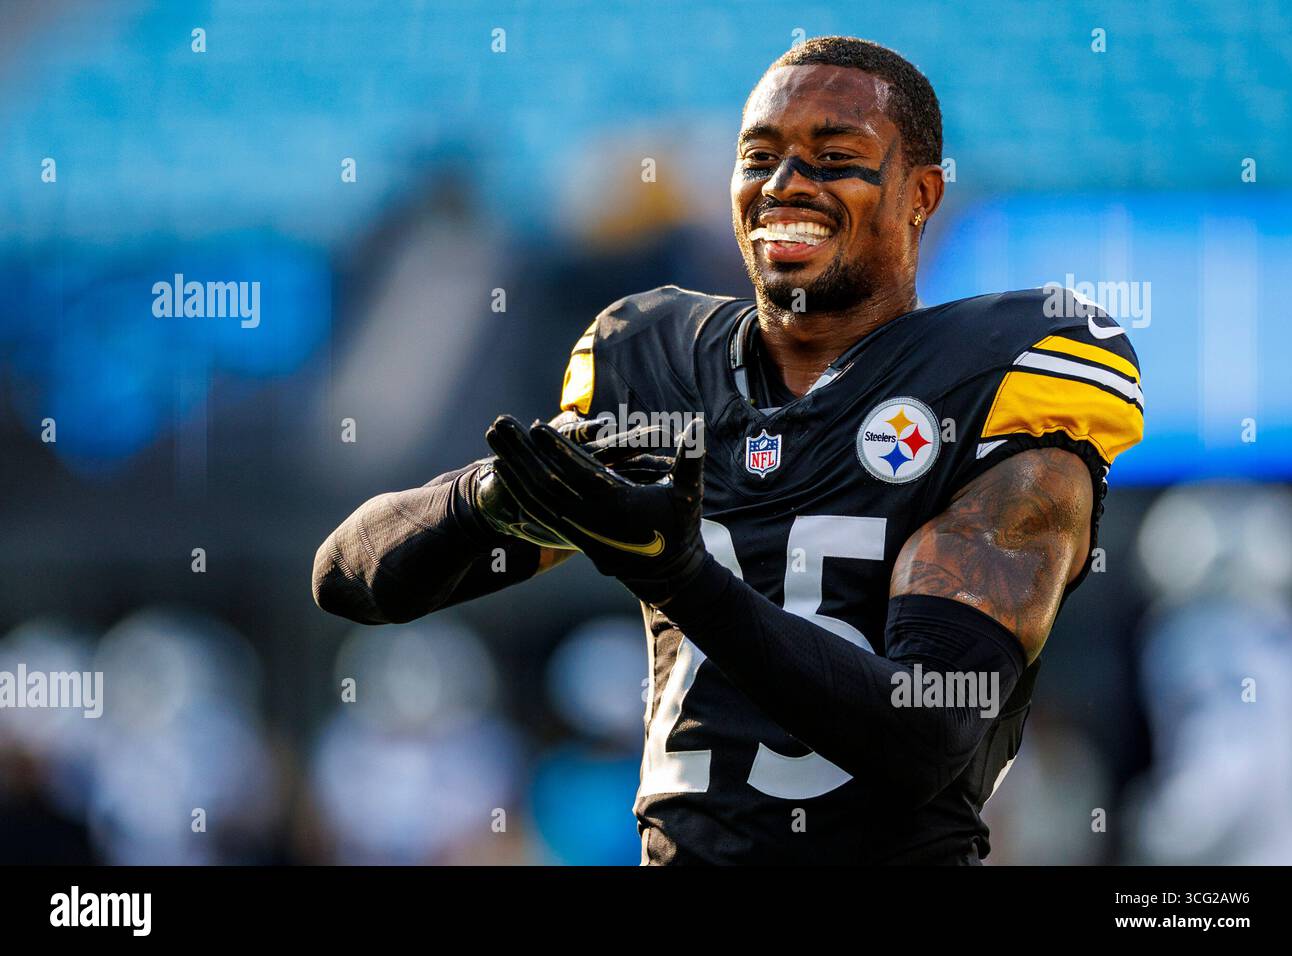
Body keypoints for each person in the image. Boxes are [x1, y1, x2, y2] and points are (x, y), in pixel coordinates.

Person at [313, 36, 1143, 864]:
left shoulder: (997, 376)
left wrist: (681, 578)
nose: (787, 185)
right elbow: (348, 580)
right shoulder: (656, 363)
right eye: (761, 157)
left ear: (922, 192)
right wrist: (495, 498)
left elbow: (927, 737)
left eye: (834, 158)